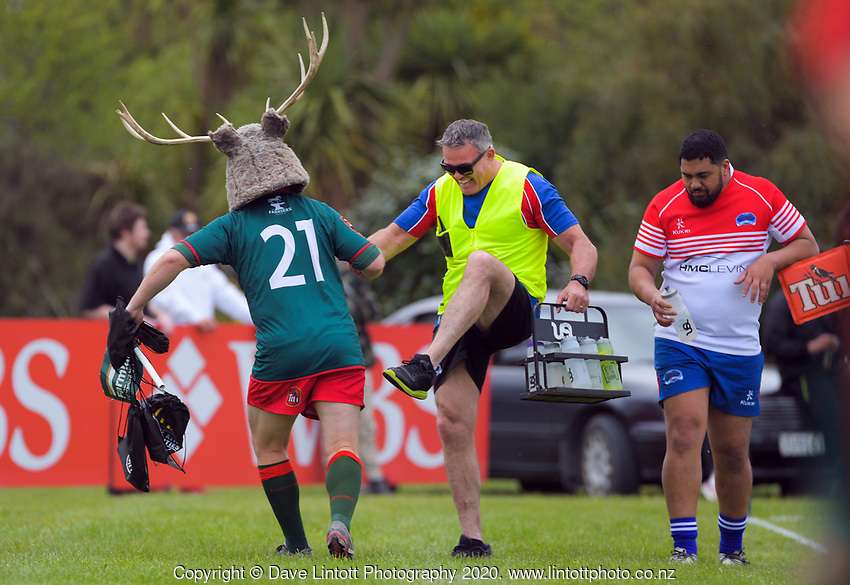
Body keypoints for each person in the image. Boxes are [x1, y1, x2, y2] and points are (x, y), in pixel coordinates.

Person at [121, 107, 384, 559]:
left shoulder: (233, 226)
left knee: (268, 447)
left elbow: (169, 261)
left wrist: (135, 306)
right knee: (342, 444)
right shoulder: (319, 213)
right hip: (339, 344)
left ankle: (298, 544)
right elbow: (375, 264)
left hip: (281, 350)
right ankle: (339, 524)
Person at [370, 119, 597, 556]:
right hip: (460, 318)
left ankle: (424, 362)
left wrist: (579, 281)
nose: (457, 176)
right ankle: (472, 539)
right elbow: (393, 237)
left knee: (479, 262)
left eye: (465, 168)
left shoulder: (528, 185)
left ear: (490, 155)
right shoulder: (440, 192)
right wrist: (352, 253)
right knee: (451, 421)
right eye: (449, 167)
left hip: (515, 308)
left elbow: (581, 243)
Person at [627, 129, 819, 566]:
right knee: (684, 434)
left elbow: (808, 245)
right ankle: (684, 549)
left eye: (703, 175)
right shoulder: (664, 204)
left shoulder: (762, 194)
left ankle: (732, 551)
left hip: (739, 347)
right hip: (682, 340)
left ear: (724, 166)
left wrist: (769, 260)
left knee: (732, 452)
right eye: (686, 175)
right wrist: (650, 294)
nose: (694, 184)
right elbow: (640, 268)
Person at [144, 209, 253, 331]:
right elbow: (164, 297)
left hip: (201, 338)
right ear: (172, 232)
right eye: (184, 233)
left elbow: (224, 293)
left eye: (194, 233)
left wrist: (254, 318)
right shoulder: (157, 259)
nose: (190, 237)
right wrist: (196, 317)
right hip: (172, 337)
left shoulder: (204, 262)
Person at [339, 266, 395, 495]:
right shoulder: (317, 273)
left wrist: (351, 289)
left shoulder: (355, 279)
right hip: (328, 359)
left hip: (359, 358)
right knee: (335, 424)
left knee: (366, 422)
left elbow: (372, 311)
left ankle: (374, 477)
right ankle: (341, 481)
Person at [79, 201, 173, 334]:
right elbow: (90, 309)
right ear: (125, 232)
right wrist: (127, 317)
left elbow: (139, 301)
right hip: (110, 344)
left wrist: (159, 315)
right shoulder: (102, 265)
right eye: (142, 229)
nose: (147, 233)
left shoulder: (136, 264)